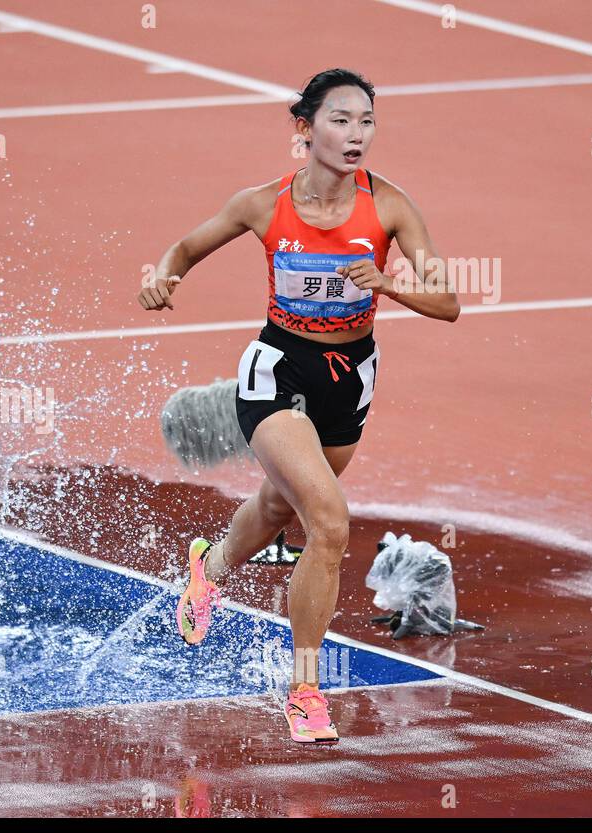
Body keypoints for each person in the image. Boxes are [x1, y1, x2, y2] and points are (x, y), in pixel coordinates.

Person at [138, 68, 459, 744]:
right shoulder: (263, 204)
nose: (357, 135)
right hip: (278, 371)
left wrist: (390, 286)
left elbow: (449, 302)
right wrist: (163, 278)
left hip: (350, 379)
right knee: (330, 522)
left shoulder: (391, 207)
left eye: (367, 122)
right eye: (342, 120)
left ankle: (210, 567)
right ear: (305, 128)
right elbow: (187, 247)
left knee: (284, 504)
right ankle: (306, 689)